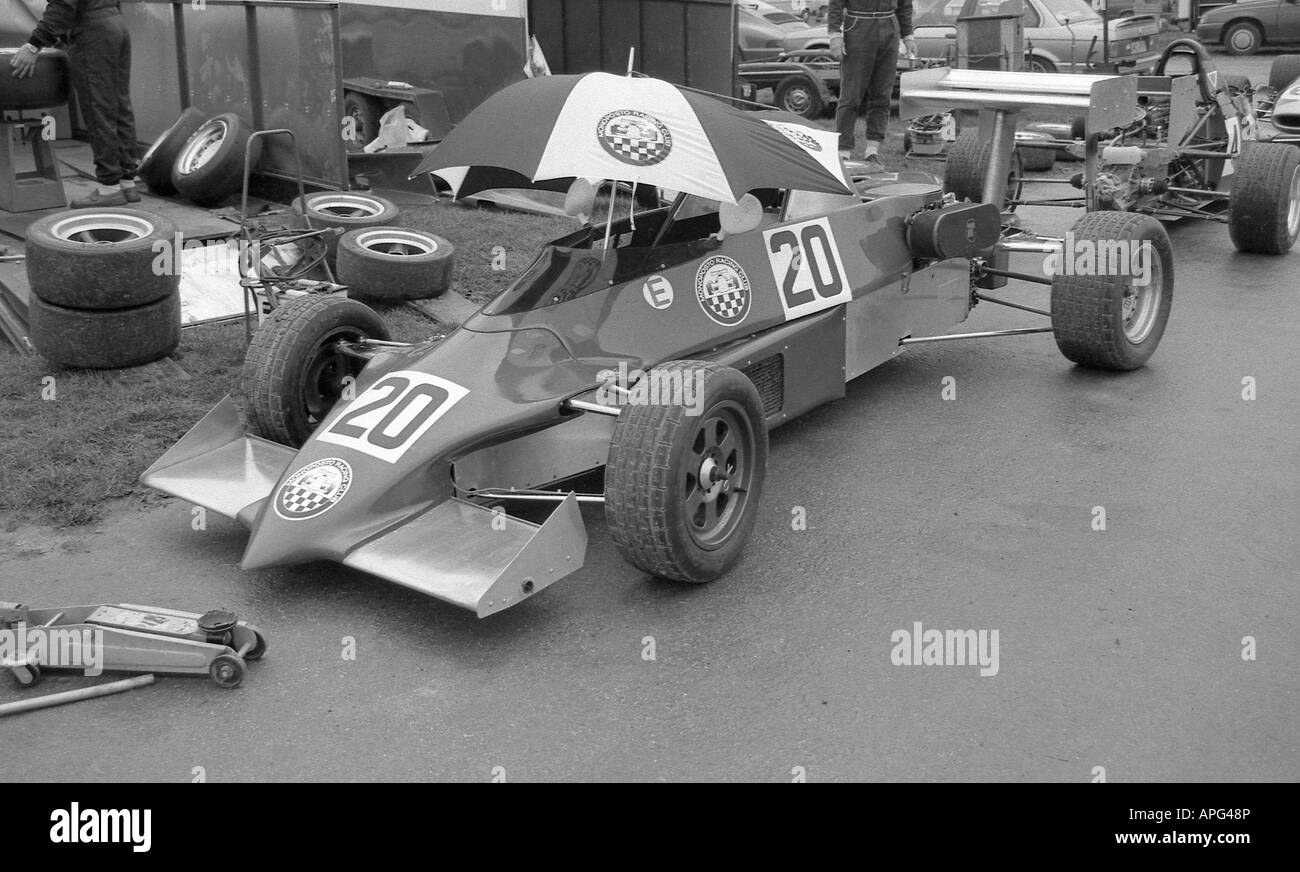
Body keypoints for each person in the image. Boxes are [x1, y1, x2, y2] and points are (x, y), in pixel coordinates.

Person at [10, 1, 141, 208]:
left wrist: (34, 44)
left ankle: (109, 187)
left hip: (92, 32)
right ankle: (127, 182)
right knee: (118, 104)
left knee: (97, 107)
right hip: (114, 24)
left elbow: (62, 4)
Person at [828, 0, 916, 170]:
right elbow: (835, 4)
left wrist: (908, 36)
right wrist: (834, 35)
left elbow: (905, 5)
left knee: (882, 95)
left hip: (890, 27)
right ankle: (843, 151)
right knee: (851, 95)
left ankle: (872, 151)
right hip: (858, 27)